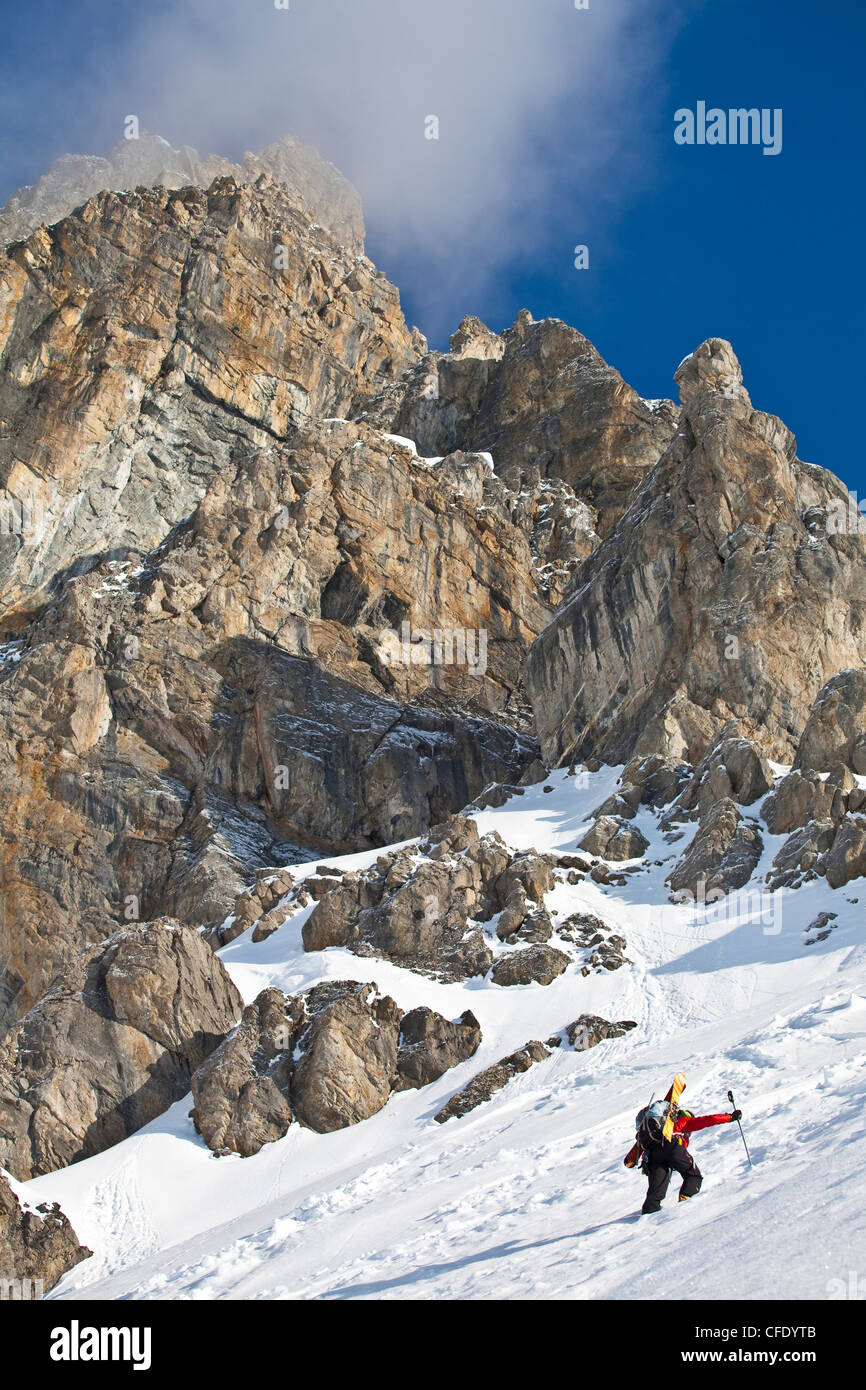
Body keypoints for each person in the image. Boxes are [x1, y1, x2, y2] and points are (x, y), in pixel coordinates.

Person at [641, 1105, 741, 1214]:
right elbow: (708, 1120)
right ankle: (685, 1207)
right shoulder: (683, 1121)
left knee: (655, 1192)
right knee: (693, 1176)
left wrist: (646, 1161)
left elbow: (643, 1147)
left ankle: (648, 1215)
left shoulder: (657, 1131)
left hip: (653, 1156)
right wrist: (730, 1117)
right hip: (673, 1146)